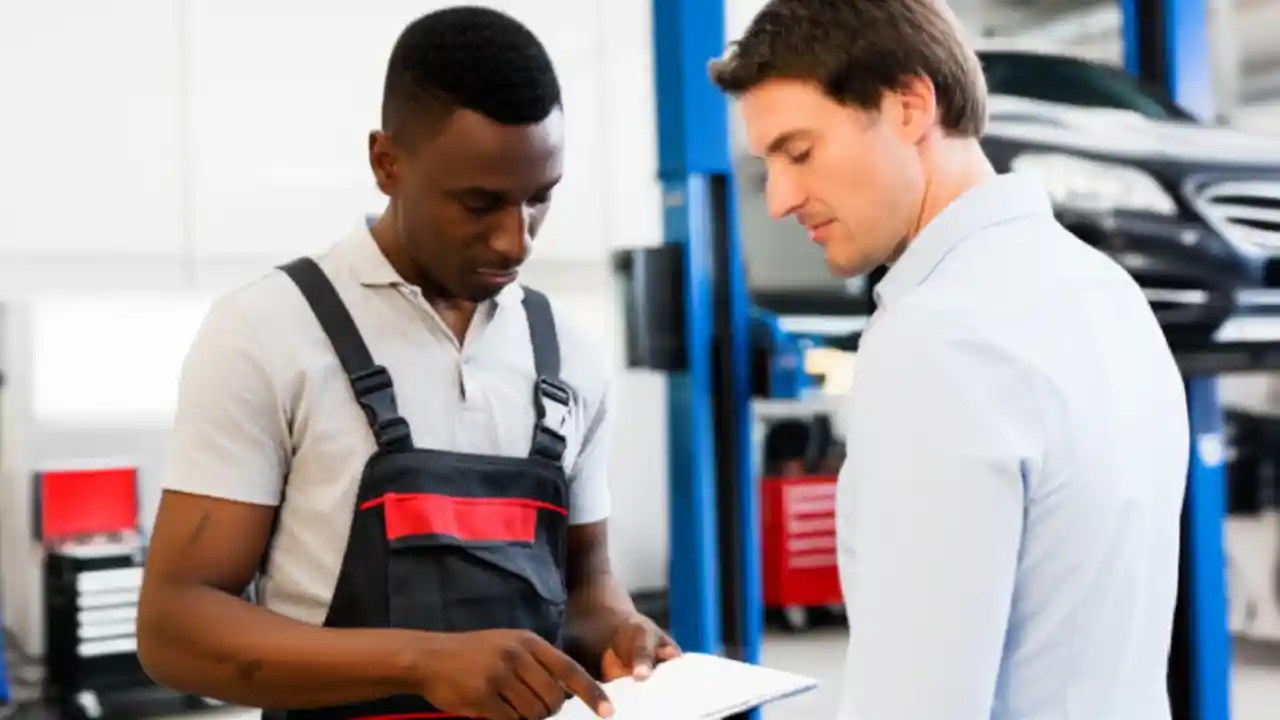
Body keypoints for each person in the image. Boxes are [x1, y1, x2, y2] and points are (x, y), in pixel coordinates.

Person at [137, 7, 677, 720]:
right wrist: (425, 662)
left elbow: (586, 584)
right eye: (480, 203)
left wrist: (621, 635)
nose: (517, 241)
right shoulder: (268, 333)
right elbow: (176, 627)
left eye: (538, 200)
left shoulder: (569, 353)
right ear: (387, 163)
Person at [711, 2, 1189, 719]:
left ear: (908, 105)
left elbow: (917, 703)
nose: (779, 199)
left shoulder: (939, 339)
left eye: (799, 152)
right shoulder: (1106, 292)